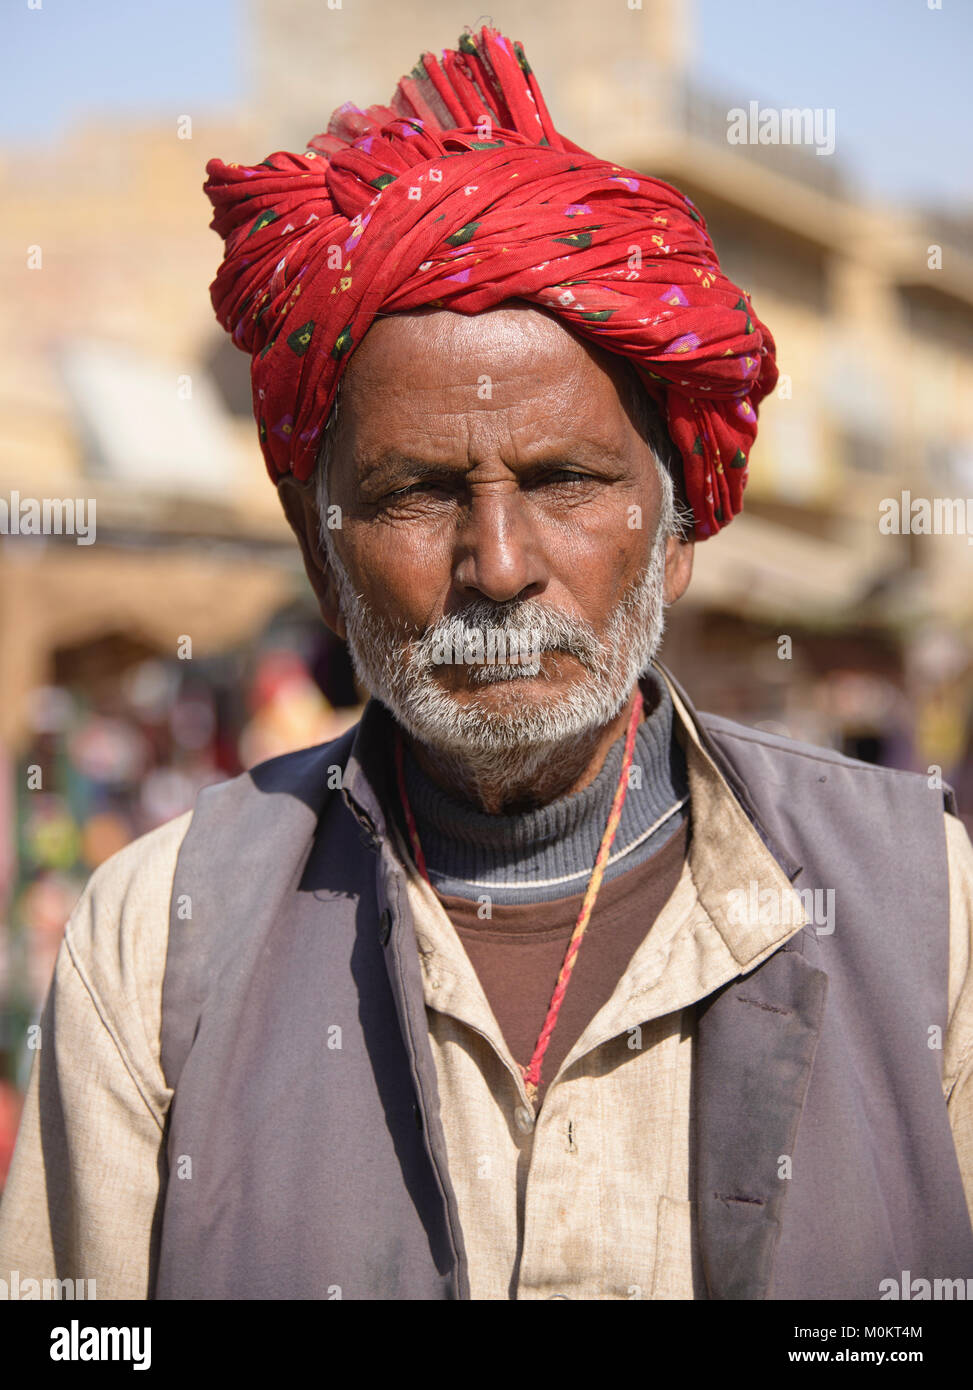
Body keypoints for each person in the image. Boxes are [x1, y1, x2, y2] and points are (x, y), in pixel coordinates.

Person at [1, 25, 972, 1302]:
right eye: (416, 494)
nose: (499, 562)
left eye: (566, 481)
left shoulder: (920, 902)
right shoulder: (156, 938)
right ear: (319, 548)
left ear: (672, 528)